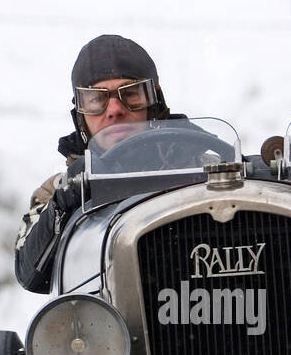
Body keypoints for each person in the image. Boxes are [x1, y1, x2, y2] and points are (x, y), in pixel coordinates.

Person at [14, 34, 177, 293]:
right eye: (97, 99)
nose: (114, 109)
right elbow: (29, 275)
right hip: (108, 324)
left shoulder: (206, 161)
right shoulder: (57, 190)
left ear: (154, 101)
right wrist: (63, 201)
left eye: (131, 94)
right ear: (80, 114)